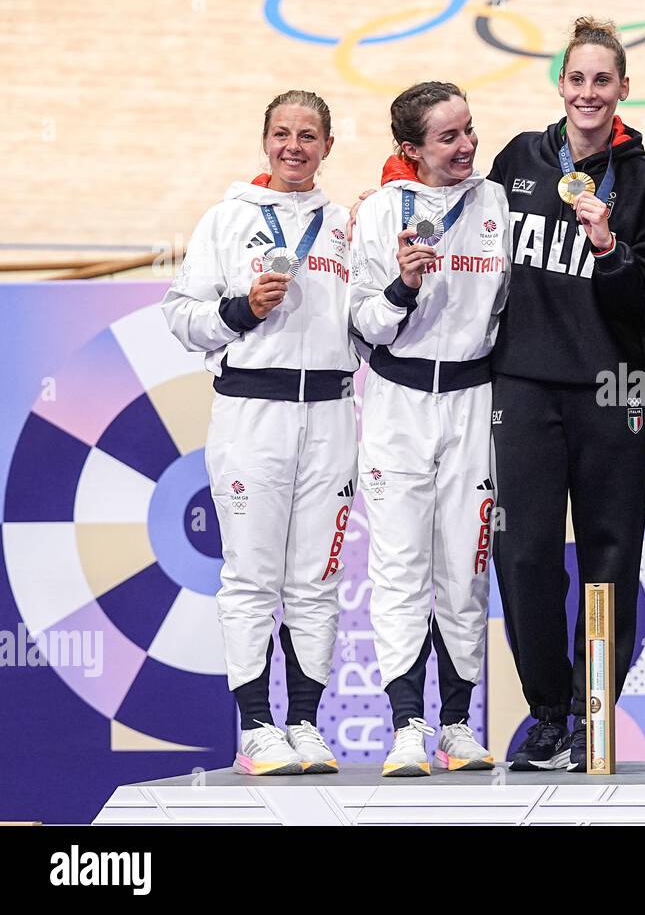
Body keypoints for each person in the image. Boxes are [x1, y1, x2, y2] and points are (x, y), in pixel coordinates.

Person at [488, 17, 645, 771]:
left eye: (604, 80)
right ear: (560, 86)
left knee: (610, 557)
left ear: (623, 89)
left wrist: (609, 246)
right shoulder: (520, 160)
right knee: (525, 554)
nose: (589, 92)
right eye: (578, 79)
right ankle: (547, 711)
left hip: (614, 388)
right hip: (525, 385)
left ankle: (593, 710)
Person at [163, 90, 357, 775]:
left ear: (328, 145)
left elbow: (366, 324)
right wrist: (239, 309)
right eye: (282, 134)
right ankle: (254, 727)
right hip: (252, 413)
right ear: (265, 140)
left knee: (317, 578)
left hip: (333, 413)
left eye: (308, 135)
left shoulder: (347, 225)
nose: (294, 147)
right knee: (251, 576)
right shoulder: (227, 220)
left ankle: (303, 723)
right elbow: (181, 315)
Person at [349, 82, 510, 775]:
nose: (468, 145)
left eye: (469, 129)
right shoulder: (381, 214)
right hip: (398, 404)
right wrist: (401, 289)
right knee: (399, 568)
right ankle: (408, 724)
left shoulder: (496, 202)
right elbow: (363, 322)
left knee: (465, 568)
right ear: (410, 150)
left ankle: (457, 726)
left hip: (473, 401)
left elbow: (507, 305)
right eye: (449, 138)